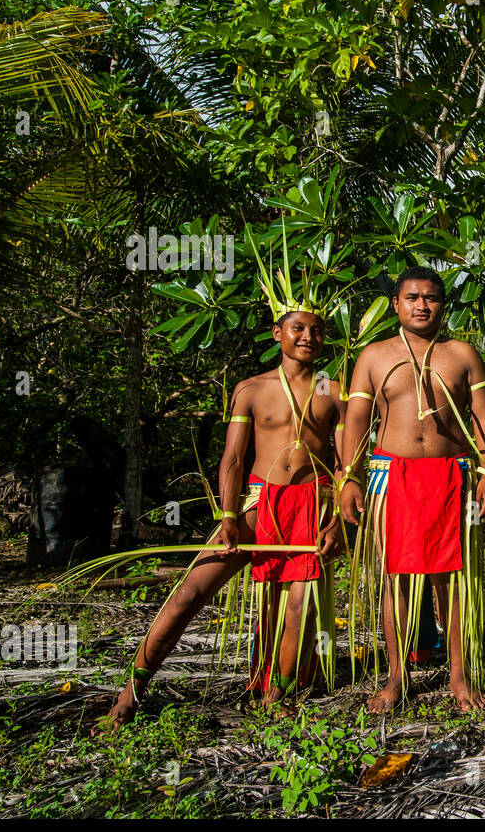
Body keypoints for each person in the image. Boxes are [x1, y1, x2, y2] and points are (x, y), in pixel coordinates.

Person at [94, 309, 344, 731]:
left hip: (309, 507)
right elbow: (232, 457)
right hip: (257, 502)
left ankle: (275, 694)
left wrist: (335, 519)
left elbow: (345, 462)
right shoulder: (252, 389)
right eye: (298, 328)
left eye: (317, 330)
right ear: (277, 332)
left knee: (298, 609)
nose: (308, 337)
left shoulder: (333, 389)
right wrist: (228, 515)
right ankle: (130, 694)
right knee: (189, 593)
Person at [339, 267, 485, 712]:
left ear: (443, 304)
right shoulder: (373, 355)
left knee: (454, 579)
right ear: (396, 303)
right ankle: (396, 679)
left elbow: (483, 416)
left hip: (453, 474)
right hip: (391, 475)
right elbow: (355, 421)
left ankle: (460, 677)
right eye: (412, 297)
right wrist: (348, 477)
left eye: (431, 298)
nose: (422, 305)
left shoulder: (463, 353)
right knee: (396, 578)